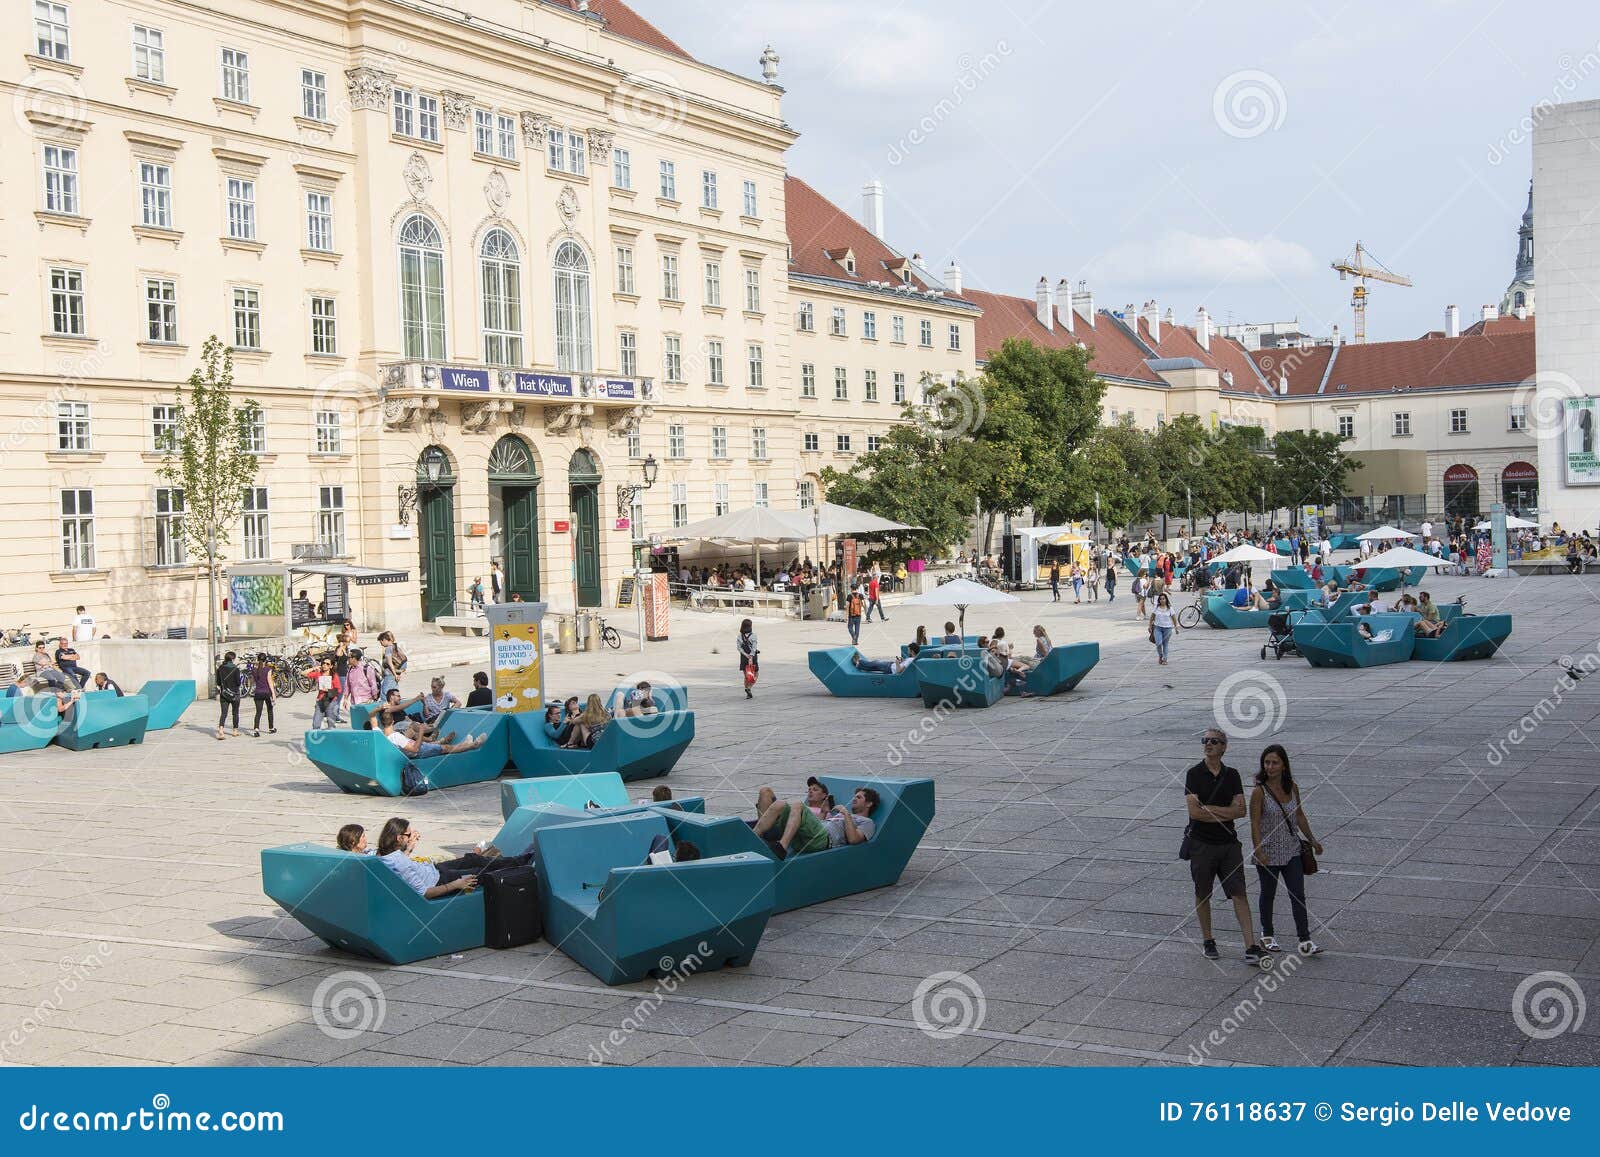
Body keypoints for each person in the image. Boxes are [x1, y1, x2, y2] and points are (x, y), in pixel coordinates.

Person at [1185, 729, 1266, 964]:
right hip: (1202, 844)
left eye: (1214, 741)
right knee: (1203, 893)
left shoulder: (1232, 775)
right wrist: (1223, 811)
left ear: (1224, 747)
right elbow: (1193, 812)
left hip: (1229, 844)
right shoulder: (1194, 774)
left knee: (1239, 893)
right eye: (1205, 741)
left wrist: (1208, 809)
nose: (1208, 744)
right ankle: (1208, 940)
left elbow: (1241, 810)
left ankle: (1251, 946)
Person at [1248, 745, 1323, 956]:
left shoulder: (1292, 787)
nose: (1270, 767)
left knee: (1298, 894)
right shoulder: (1259, 792)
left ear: (1283, 765)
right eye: (1267, 762)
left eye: (1274, 762)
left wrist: (1313, 840)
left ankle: (1305, 940)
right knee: (1268, 894)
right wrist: (1258, 849)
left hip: (1291, 850)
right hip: (1269, 852)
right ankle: (1267, 935)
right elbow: (1254, 823)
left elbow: (1299, 816)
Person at [376, 818, 531, 900]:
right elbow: (424, 893)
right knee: (480, 872)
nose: (412, 836)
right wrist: (456, 884)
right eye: (409, 835)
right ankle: (522, 869)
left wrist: (409, 848)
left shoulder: (383, 855)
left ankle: (518, 860)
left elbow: (402, 864)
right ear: (398, 837)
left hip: (435, 870)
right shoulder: (398, 862)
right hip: (439, 881)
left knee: (472, 858)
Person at [751, 786, 879, 859]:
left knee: (798, 804)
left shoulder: (867, 822)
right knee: (779, 804)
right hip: (807, 837)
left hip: (823, 840)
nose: (854, 799)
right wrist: (825, 813)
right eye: (854, 796)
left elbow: (853, 839)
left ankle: (782, 847)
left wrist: (846, 814)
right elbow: (819, 824)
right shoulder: (839, 814)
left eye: (859, 797)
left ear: (869, 803)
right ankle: (751, 838)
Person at [368, 711, 485, 758]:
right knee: (446, 748)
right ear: (393, 721)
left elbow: (371, 716)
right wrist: (422, 732)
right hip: (419, 751)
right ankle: (472, 745)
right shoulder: (396, 737)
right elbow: (414, 749)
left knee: (412, 730)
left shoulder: (378, 733)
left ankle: (465, 744)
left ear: (381, 723)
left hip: (414, 746)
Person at [306, 656, 343, 731]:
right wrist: (314, 668)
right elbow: (303, 673)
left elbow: (339, 690)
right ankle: (316, 740)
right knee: (315, 724)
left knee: (331, 725)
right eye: (323, 663)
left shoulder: (334, 675)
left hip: (331, 700)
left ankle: (331, 740)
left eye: (327, 664)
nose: (324, 665)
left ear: (331, 666)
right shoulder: (319, 674)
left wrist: (328, 690)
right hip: (320, 700)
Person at [215, 651, 242, 740]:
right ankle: (235, 731)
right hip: (235, 694)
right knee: (235, 712)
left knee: (223, 713)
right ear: (233, 659)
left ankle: (221, 730)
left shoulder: (220, 669)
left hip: (224, 694)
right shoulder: (236, 669)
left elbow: (218, 682)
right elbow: (238, 682)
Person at [249, 653, 276, 736]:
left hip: (258, 693)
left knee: (258, 712)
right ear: (265, 660)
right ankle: (271, 728)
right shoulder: (268, 669)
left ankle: (256, 729)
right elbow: (270, 682)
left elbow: (252, 681)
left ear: (257, 659)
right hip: (267, 692)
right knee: (270, 710)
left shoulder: (254, 670)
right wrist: (273, 694)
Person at [1149, 592, 1179, 666]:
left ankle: (1165, 659)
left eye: (1164, 599)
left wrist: (1176, 628)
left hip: (1168, 628)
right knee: (1158, 643)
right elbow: (1152, 617)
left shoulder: (1169, 608)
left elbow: (1174, 618)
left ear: (1166, 600)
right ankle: (1160, 655)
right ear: (1159, 600)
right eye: (1161, 599)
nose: (1162, 600)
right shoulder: (1156, 608)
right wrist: (1149, 626)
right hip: (1157, 627)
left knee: (1165, 644)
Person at [852, 643, 918, 675]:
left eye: (908, 650)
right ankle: (858, 665)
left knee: (876, 662)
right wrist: (902, 661)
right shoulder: (913, 659)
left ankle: (859, 661)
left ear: (912, 651)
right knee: (875, 667)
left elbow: (899, 671)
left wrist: (897, 662)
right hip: (891, 666)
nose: (907, 651)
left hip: (890, 668)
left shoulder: (910, 660)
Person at [377, 631, 407, 699]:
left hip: (390, 675)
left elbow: (390, 663)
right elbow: (402, 661)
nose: (381, 644)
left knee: (385, 694)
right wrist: (398, 674)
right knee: (394, 693)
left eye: (381, 642)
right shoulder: (395, 647)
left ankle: (386, 708)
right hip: (395, 674)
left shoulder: (388, 649)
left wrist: (395, 674)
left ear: (384, 640)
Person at [737, 618, 759, 699]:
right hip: (753, 657)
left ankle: (746, 689)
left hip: (743, 657)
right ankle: (749, 688)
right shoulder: (753, 636)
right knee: (755, 674)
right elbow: (754, 647)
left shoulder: (739, 636)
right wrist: (751, 656)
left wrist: (746, 655)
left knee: (746, 675)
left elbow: (739, 648)